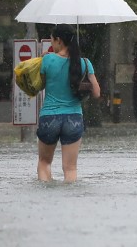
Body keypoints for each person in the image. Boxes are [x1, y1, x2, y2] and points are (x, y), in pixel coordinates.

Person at [36, 23, 100, 182]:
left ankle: (46, 193)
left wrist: (42, 60)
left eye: (52, 40)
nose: (52, 44)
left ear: (58, 40)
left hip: (49, 117)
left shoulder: (47, 60)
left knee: (44, 163)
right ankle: (70, 196)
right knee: (70, 168)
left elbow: (38, 86)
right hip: (73, 118)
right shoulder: (85, 63)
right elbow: (97, 93)